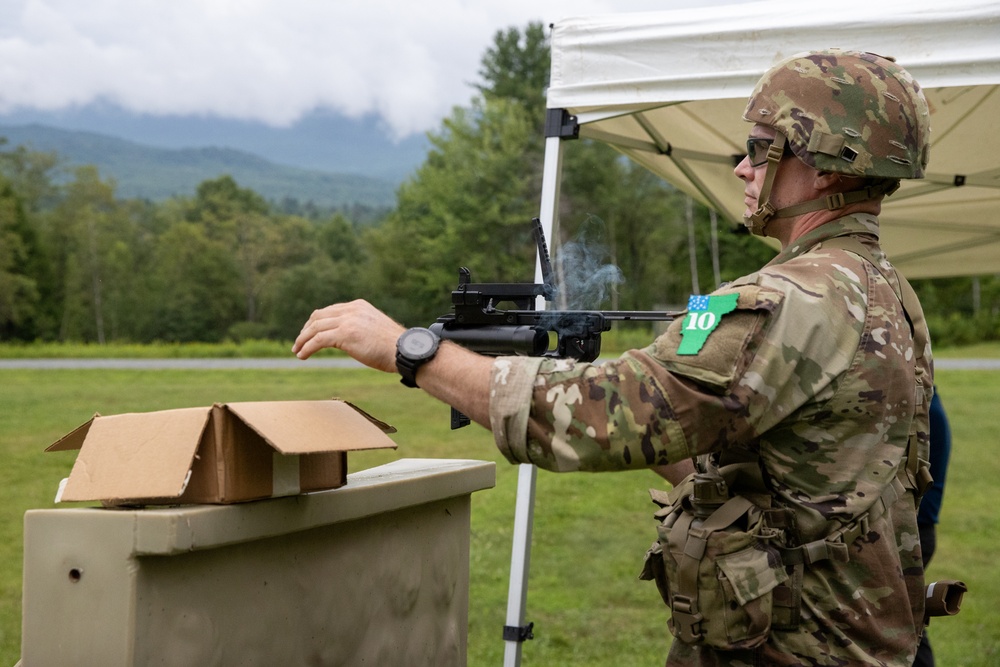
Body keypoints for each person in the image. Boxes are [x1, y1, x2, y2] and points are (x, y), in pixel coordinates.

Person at [293, 49, 934, 666]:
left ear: (827, 167)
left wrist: (414, 352)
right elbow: (783, 473)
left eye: (762, 149)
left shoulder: (791, 299)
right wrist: (658, 420)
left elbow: (608, 417)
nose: (742, 167)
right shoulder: (883, 289)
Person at [914, 389, 952, 667]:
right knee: (909, 623)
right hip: (917, 532)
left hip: (915, 533)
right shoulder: (924, 404)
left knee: (907, 625)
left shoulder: (924, 411)